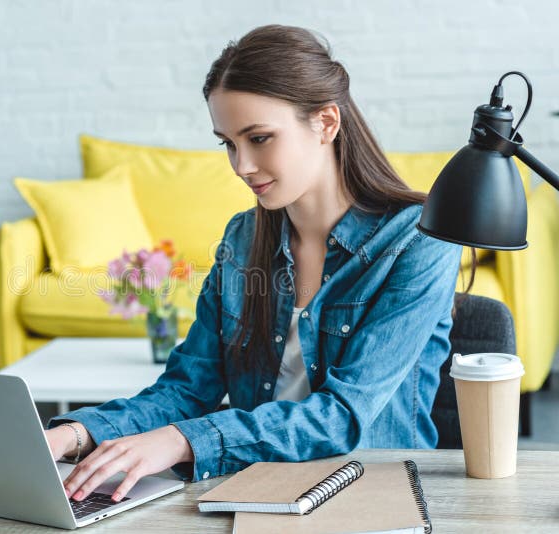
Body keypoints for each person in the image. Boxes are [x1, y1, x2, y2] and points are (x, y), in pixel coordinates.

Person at [44, 24, 465, 504]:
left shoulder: (418, 240)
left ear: (326, 123)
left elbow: (342, 417)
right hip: (252, 489)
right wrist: (71, 436)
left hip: (370, 494)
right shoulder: (242, 239)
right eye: (228, 143)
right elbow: (187, 389)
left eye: (259, 138)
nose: (241, 165)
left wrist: (181, 441)